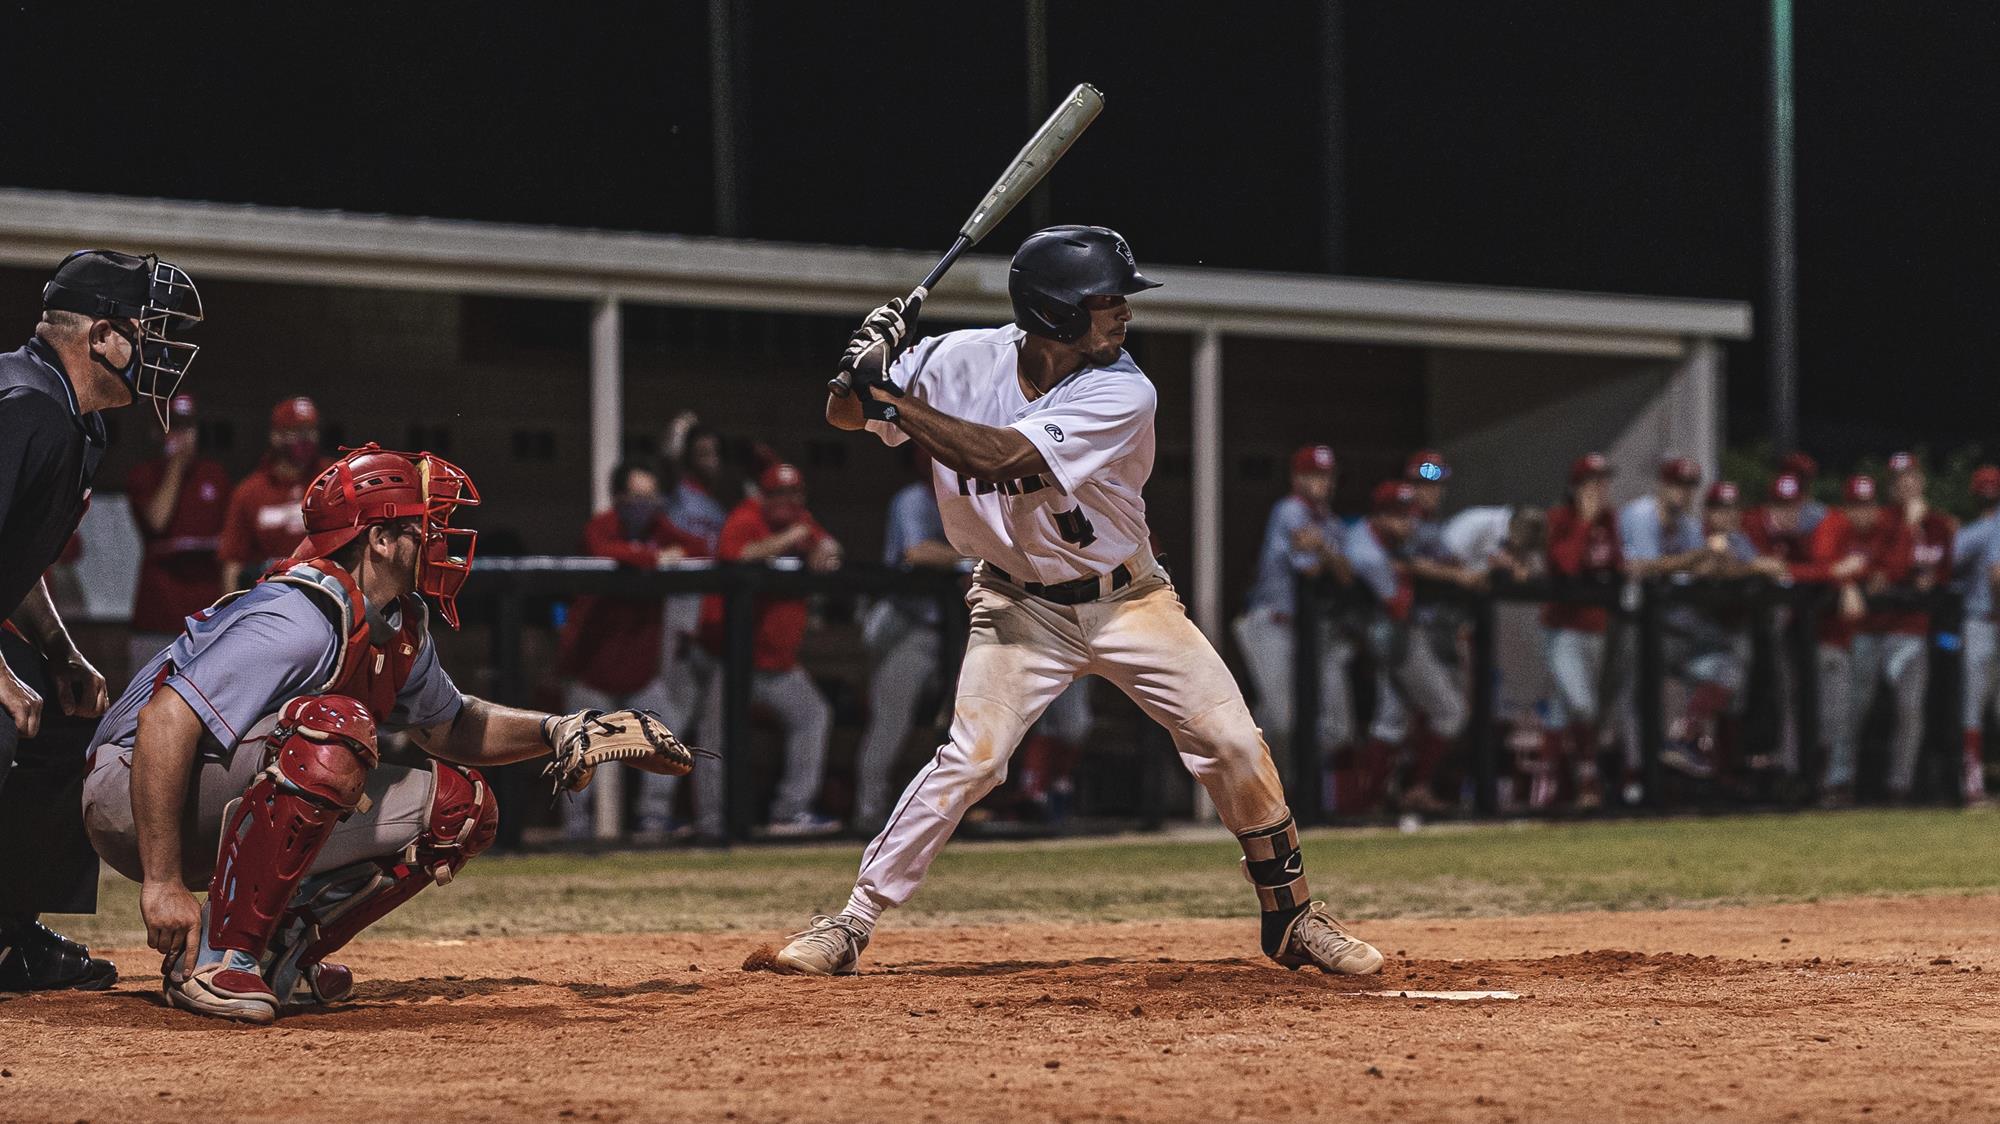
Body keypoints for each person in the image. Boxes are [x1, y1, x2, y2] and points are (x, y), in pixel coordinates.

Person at [774, 225, 1382, 978]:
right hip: (1016, 604)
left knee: (1231, 743)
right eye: (1106, 301)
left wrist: (890, 398)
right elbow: (844, 416)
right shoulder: (957, 359)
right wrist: (854, 373)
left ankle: (1292, 918)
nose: (1123, 314)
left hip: (1130, 600)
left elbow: (1001, 457)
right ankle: (850, 923)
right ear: (1055, 311)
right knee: (973, 759)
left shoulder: (1123, 387)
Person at [81, 444, 692, 1023]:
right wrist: (161, 882)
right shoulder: (299, 616)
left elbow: (452, 725)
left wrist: (560, 730)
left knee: (462, 807)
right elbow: (164, 718)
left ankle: (274, 955)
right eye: (422, 524)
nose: (437, 538)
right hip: (132, 790)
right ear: (378, 538)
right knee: (334, 732)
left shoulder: (394, 622)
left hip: (210, 786)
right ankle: (217, 960)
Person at [0, 249, 201, 993]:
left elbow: (11, 557)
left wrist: (57, 651)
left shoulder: (74, 422)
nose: (155, 349)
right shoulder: (24, 405)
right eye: (145, 330)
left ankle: (6, 934)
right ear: (101, 337)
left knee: (66, 720)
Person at [684, 462, 843, 839]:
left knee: (814, 715)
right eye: (778, 494)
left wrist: (826, 548)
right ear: (763, 495)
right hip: (733, 659)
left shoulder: (801, 520)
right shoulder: (746, 516)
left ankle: (790, 812)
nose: (787, 502)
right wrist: (790, 540)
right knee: (713, 738)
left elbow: (830, 545)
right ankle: (710, 823)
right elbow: (735, 556)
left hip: (779, 664)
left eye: (794, 494)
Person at [555, 461, 707, 840]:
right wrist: (654, 559)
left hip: (639, 673)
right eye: (636, 497)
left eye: (651, 497)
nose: (645, 505)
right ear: (618, 497)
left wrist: (657, 554)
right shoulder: (602, 525)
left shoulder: (659, 528)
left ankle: (652, 822)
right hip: (592, 669)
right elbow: (603, 549)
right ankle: (575, 833)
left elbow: (699, 548)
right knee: (576, 755)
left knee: (670, 738)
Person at [1230, 444, 1354, 783]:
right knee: (1284, 721)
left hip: (1307, 632)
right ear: (1297, 477)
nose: (1321, 483)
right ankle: (1263, 788)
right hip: (1269, 622)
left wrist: (1323, 548)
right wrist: (1328, 554)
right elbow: (1312, 571)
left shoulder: (1330, 523)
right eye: (1313, 475)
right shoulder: (1288, 511)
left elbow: (1345, 575)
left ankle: (1270, 785)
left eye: (1326, 476)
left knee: (1327, 728)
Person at [853, 452, 961, 831]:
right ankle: (868, 815)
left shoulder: (965, 503)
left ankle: (931, 817)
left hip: (949, 631)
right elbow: (917, 552)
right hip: (906, 624)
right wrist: (973, 555)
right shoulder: (913, 499)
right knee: (890, 724)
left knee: (953, 729)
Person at [1347, 480, 1467, 814]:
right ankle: (1416, 787)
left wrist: (1420, 566)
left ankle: (1372, 801)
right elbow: (1398, 605)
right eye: (1399, 517)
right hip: (1376, 637)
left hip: (1386, 638)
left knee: (1391, 722)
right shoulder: (1366, 550)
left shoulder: (1396, 539)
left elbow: (1447, 557)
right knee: (1451, 713)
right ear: (1381, 516)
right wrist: (1419, 570)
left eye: (1409, 516)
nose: (1408, 524)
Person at [1849, 453, 1954, 802]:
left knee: (1910, 712)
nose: (1905, 484)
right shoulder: (1881, 522)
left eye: (1911, 476)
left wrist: (1921, 575)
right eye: (1898, 479)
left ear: (1921, 481)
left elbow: (1942, 574)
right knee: (1855, 709)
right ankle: (1840, 784)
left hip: (1912, 629)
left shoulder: (1938, 525)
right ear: (1891, 486)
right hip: (1871, 627)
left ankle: (1900, 787)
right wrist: (1908, 533)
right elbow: (1880, 574)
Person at [125, 392, 232, 676]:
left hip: (204, 615)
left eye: (189, 427)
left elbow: (229, 548)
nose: (184, 435)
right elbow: (157, 521)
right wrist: (175, 464)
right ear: (157, 432)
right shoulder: (143, 475)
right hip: (157, 613)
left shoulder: (216, 475)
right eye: (175, 427)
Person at [1540, 452, 1623, 810]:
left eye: (1604, 482)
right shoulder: (1560, 519)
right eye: (1593, 483)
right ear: (1575, 488)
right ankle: (1587, 779)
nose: (1600, 490)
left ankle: (1556, 789)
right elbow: (1567, 566)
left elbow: (1616, 565)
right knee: (1582, 705)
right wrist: (1584, 522)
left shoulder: (1610, 519)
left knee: (1565, 711)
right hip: (1563, 628)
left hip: (1598, 628)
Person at [218, 396, 330, 592]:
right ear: (276, 435)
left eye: (310, 430)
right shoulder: (250, 491)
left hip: (326, 593)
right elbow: (233, 564)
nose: (305, 438)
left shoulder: (333, 478)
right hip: (270, 596)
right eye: (296, 431)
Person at [1953, 465, 2000, 806]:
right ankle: (1971, 785)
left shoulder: (1970, 532)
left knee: (1978, 705)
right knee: (1974, 704)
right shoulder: (1971, 532)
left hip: (1982, 621)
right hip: (1981, 622)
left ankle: (1973, 786)